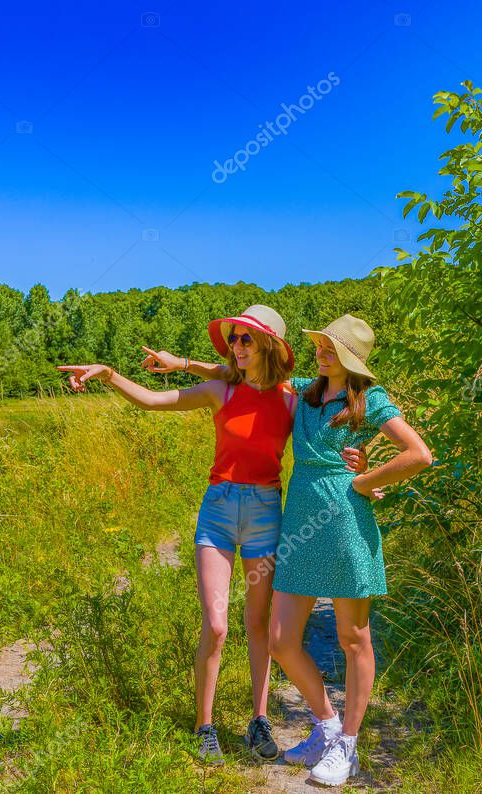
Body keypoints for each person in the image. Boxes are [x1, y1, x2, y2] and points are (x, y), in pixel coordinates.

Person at [58, 305, 363, 766]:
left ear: (268, 346)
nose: (236, 346)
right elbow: (153, 401)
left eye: (246, 339)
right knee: (217, 626)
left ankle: (259, 720)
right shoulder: (219, 390)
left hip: (265, 512)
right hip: (218, 511)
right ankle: (204, 727)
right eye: (234, 338)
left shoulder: (291, 397)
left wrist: (366, 470)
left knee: (258, 624)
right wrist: (109, 375)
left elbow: (342, 420)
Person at [144, 314, 432, 786]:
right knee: (279, 640)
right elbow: (240, 375)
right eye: (319, 344)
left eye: (329, 347)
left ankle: (350, 747)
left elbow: (417, 453)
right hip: (299, 523)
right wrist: (184, 363)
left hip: (344, 526)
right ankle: (327, 726)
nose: (320, 351)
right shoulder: (305, 391)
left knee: (352, 636)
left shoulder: (370, 400)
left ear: (350, 358)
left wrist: (365, 478)